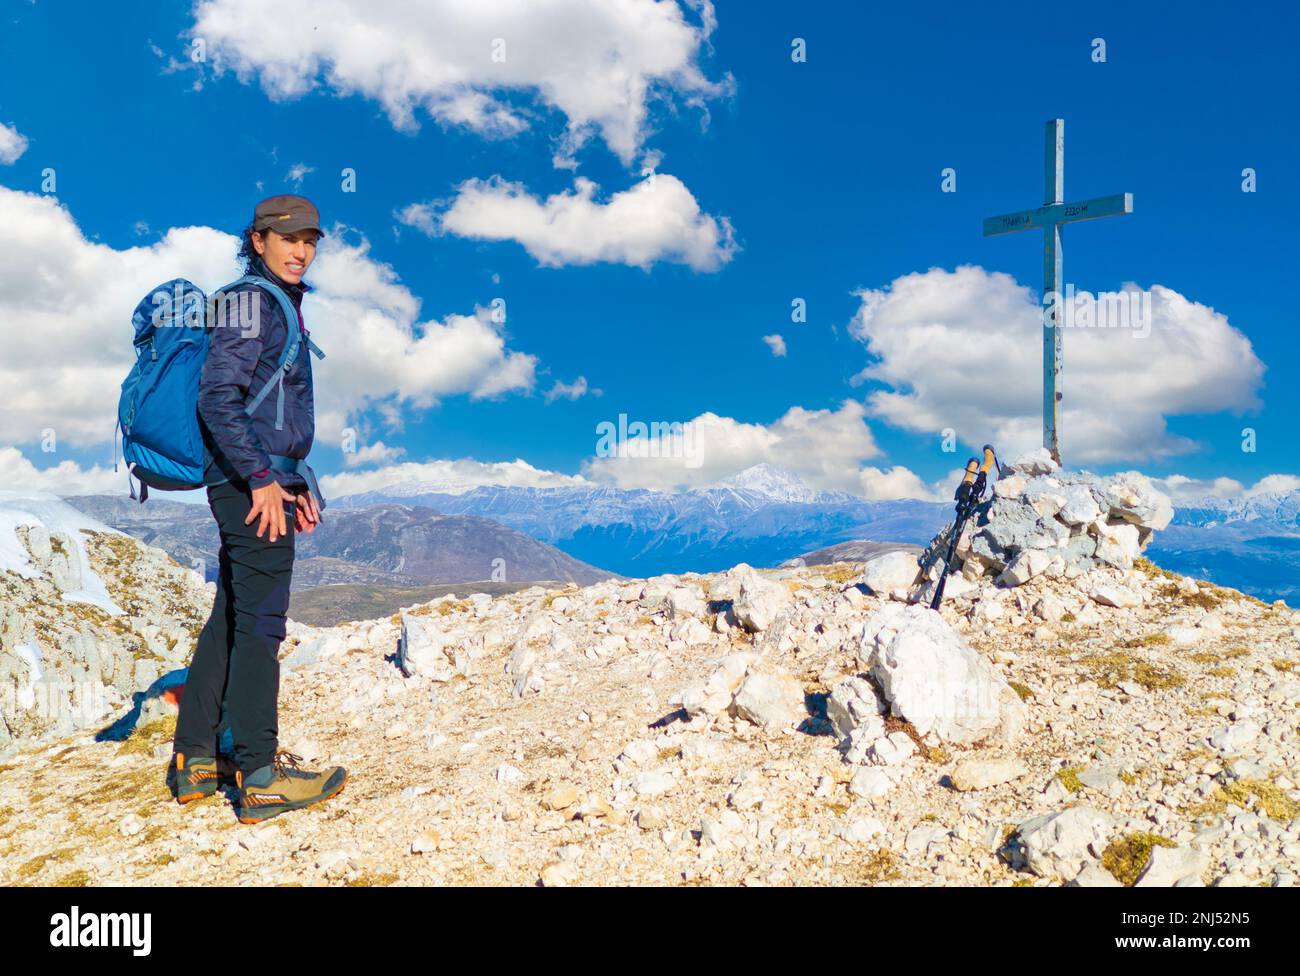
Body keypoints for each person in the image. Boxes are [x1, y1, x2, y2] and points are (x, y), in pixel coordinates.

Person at [169, 194, 346, 824]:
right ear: (259, 239)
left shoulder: (277, 303)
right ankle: (261, 775)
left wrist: (294, 481)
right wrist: (263, 480)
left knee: (234, 615)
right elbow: (220, 398)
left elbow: (270, 411)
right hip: (249, 485)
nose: (301, 249)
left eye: (310, 240)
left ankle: (194, 760)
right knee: (263, 624)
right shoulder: (250, 301)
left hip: (257, 479)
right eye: (288, 237)